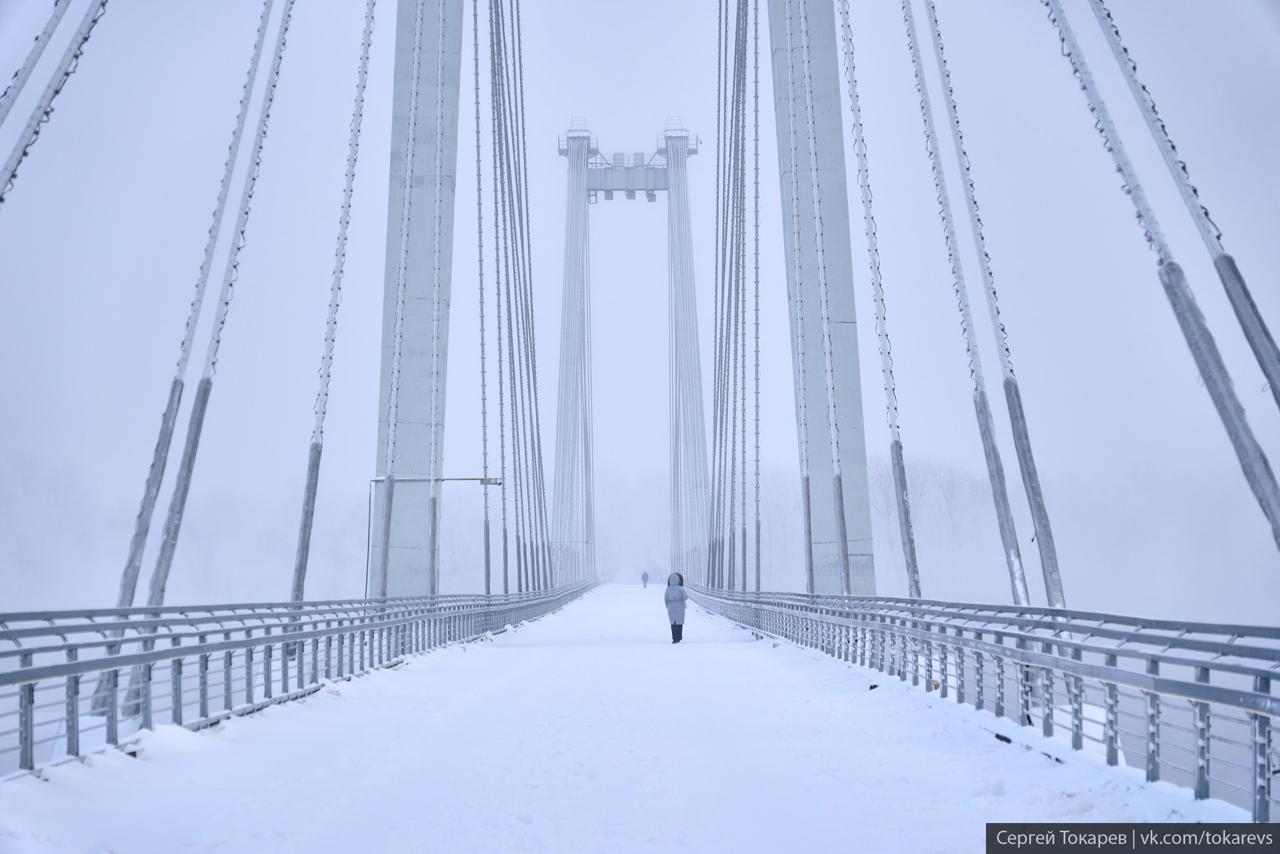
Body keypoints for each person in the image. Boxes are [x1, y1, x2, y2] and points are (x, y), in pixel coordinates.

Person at [664, 572, 687, 643]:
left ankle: (674, 638)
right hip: (680, 607)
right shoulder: (681, 589)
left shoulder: (668, 589)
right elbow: (685, 598)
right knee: (680, 622)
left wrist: (667, 606)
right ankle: (679, 636)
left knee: (673, 623)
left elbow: (665, 599)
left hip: (671, 607)